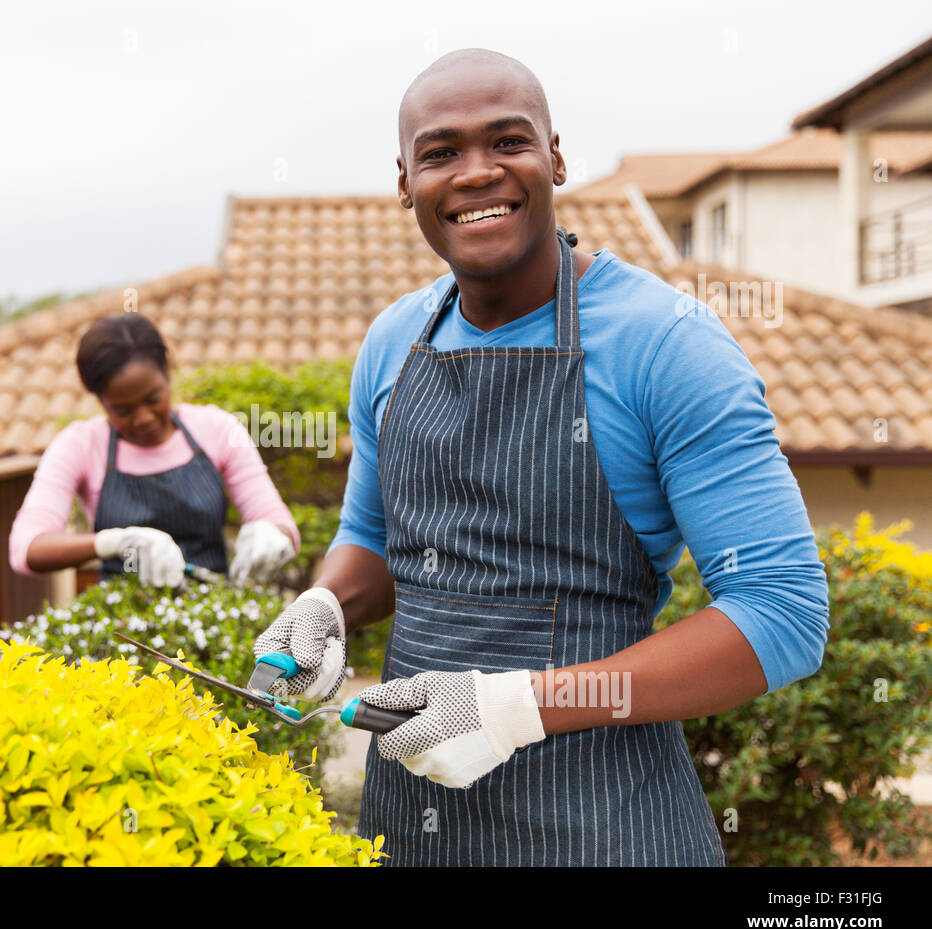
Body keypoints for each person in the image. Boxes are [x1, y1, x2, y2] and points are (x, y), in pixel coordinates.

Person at [253, 49, 830, 866]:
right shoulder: (391, 344)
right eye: (441, 153)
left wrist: (521, 708)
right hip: (409, 827)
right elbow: (374, 541)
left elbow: (784, 613)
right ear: (405, 181)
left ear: (555, 157)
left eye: (508, 142)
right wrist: (325, 607)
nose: (477, 173)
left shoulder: (665, 346)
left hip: (604, 826)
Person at [8, 312, 299, 588]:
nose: (143, 418)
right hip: (123, 625)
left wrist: (273, 534)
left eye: (153, 398)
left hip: (215, 614)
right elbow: (27, 548)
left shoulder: (217, 429)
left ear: (168, 374)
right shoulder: (80, 445)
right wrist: (111, 542)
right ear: (100, 401)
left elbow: (277, 519)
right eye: (122, 410)